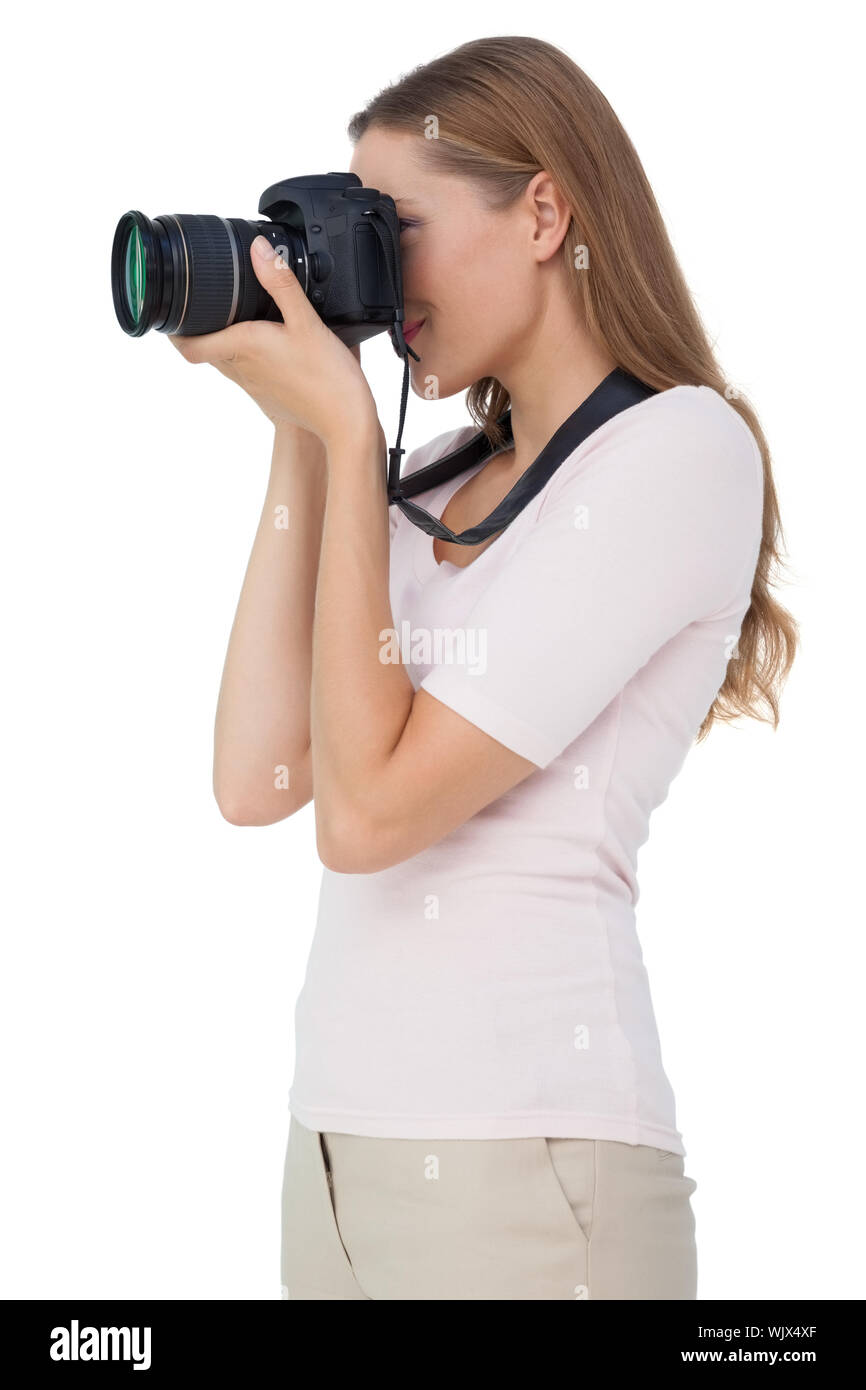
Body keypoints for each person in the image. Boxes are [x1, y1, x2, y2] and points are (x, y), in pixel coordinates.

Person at [169, 36, 797, 1300]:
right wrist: (309, 424)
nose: (376, 276)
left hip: (525, 1163)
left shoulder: (679, 453)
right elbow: (256, 777)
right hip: (332, 1154)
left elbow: (367, 815)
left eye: (393, 227)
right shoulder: (430, 472)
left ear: (543, 214)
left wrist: (347, 438)